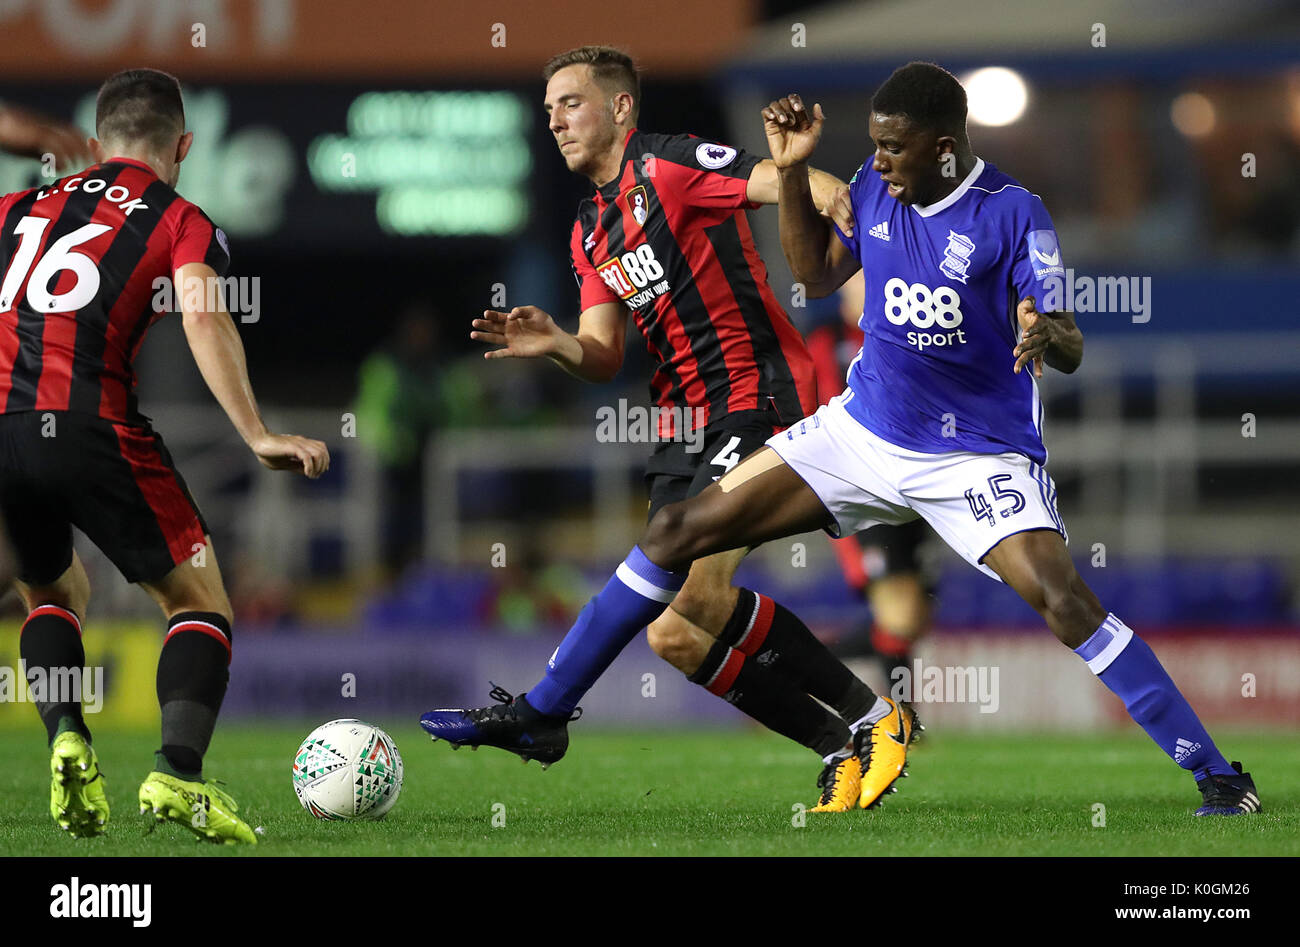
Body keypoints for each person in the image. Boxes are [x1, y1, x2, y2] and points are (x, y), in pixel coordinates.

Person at [422, 62, 1261, 817]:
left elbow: (1067, 336)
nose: (879, 163)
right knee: (676, 535)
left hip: (975, 451)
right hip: (860, 430)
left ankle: (1219, 775)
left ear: (943, 146)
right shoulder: (869, 187)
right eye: (875, 147)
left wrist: (1049, 338)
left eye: (894, 149)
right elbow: (816, 273)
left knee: (1063, 599)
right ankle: (549, 712)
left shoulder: (1014, 213)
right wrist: (790, 172)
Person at [421, 46, 918, 813]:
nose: (554, 120)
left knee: (692, 576)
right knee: (679, 633)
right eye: (548, 109)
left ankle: (875, 718)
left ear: (621, 108)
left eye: (571, 103)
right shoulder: (591, 228)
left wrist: (830, 196)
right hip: (682, 423)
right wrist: (555, 343)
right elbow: (602, 351)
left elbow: (788, 178)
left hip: (757, 396)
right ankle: (843, 745)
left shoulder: (671, 167)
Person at [0, 68, 329, 842]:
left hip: (5, 424)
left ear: (92, 144)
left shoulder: (14, 209)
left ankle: (67, 737)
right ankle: (178, 775)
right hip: (92, 423)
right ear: (183, 145)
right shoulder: (179, 216)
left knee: (51, 591)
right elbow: (205, 318)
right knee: (197, 599)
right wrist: (257, 432)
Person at [807, 273, 934, 693]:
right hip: (859, 488)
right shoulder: (824, 341)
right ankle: (902, 719)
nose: (867, 288)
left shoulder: (903, 334)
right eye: (858, 281)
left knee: (908, 617)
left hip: (914, 487)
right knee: (897, 613)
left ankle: (800, 666)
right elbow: (813, 408)